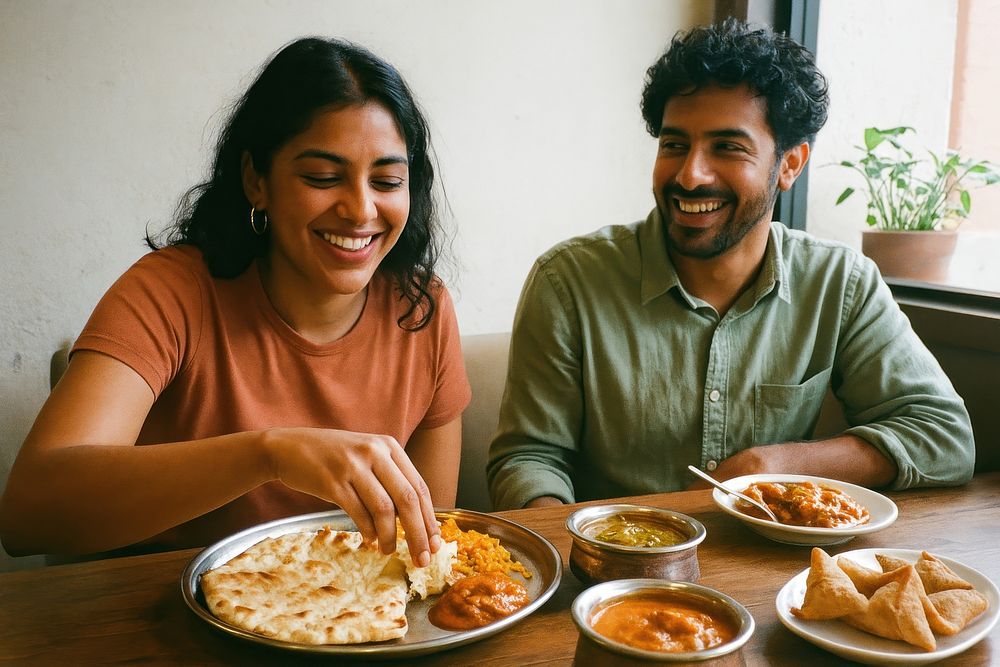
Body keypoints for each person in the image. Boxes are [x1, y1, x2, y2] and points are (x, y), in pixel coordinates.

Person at [0, 37, 470, 567]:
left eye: (387, 181)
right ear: (256, 180)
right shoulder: (172, 293)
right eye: (322, 177)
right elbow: (28, 513)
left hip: (344, 624)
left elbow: (427, 549)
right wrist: (269, 453)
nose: (361, 209)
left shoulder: (421, 310)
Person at [487, 18, 975, 510]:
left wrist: (776, 465)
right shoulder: (569, 281)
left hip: (775, 574)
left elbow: (945, 437)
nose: (690, 175)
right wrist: (578, 556)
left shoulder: (839, 283)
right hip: (613, 572)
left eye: (728, 148)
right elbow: (529, 458)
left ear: (789, 165)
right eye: (674, 145)